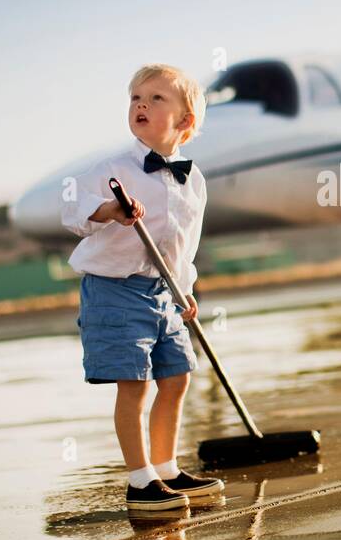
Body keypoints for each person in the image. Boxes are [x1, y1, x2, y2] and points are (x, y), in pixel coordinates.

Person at [61, 63, 224, 513]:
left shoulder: (194, 181)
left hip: (163, 292)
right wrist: (108, 210)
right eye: (135, 98)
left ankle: (167, 468)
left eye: (156, 98)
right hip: (115, 290)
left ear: (185, 121)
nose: (141, 105)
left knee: (176, 377)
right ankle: (140, 481)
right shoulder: (113, 168)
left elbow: (182, 245)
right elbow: (73, 212)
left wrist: (184, 288)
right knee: (134, 384)